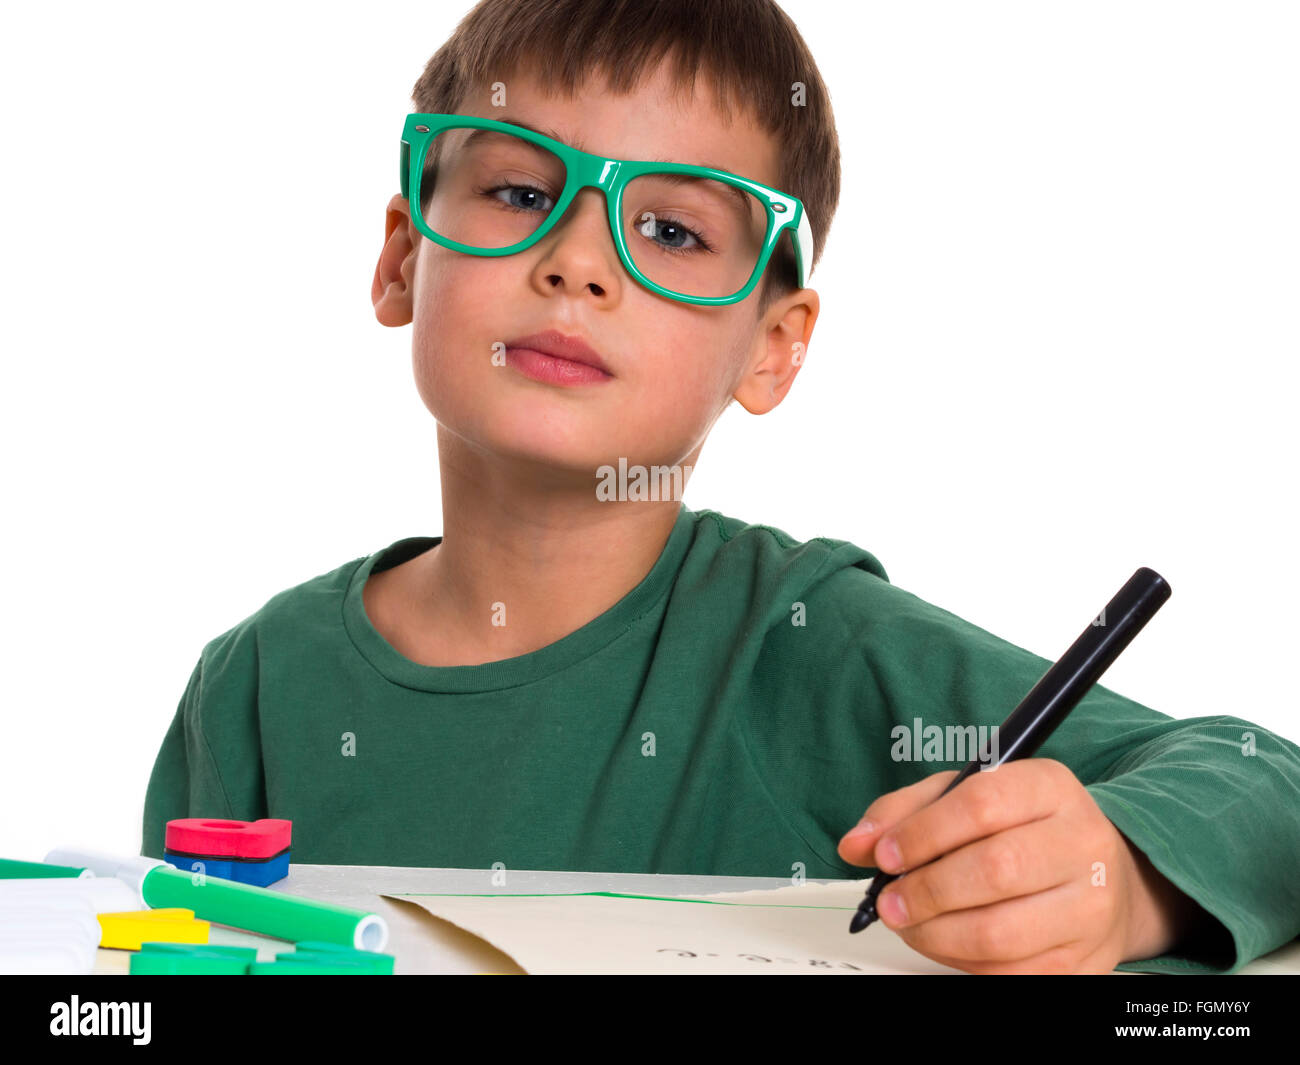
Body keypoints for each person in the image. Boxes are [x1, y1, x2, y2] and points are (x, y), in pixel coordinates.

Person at [142, 0, 1300, 975]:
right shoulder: (253, 686)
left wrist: (1120, 876)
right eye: (514, 192)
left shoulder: (813, 643)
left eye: (670, 228)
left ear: (773, 347)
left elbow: (1268, 789)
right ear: (403, 256)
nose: (578, 262)